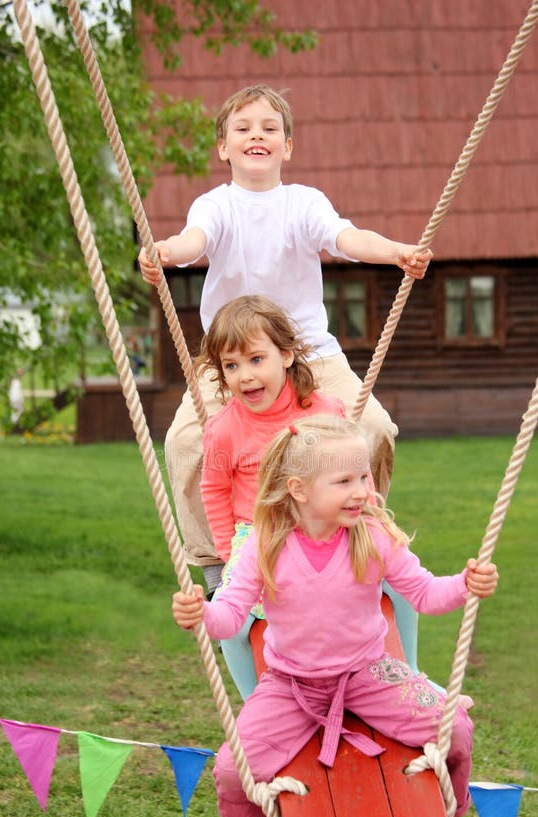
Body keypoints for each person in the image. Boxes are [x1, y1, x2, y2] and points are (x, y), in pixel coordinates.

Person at [172, 415, 498, 817]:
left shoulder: (372, 535)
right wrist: (199, 613)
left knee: (457, 728)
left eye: (363, 476)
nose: (362, 490)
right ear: (299, 489)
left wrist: (466, 585)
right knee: (230, 771)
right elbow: (228, 618)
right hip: (290, 686)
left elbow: (426, 594)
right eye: (344, 481)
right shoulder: (265, 545)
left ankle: (453, 799)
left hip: (368, 673)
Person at [138, 84, 433, 596]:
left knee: (375, 430)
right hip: (230, 359)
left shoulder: (303, 203)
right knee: (185, 442)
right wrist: (164, 250)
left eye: (270, 128)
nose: (258, 136)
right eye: (244, 128)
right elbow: (194, 241)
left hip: (308, 353)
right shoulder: (218, 205)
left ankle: (361, 535)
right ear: (223, 147)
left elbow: (347, 237)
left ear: (287, 146)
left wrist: (395, 251)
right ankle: (215, 566)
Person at [198, 294, 347, 698]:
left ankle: (408, 666)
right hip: (259, 533)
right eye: (231, 365)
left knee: (394, 582)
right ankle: (253, 700)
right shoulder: (225, 429)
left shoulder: (321, 411)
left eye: (255, 360)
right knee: (234, 615)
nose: (244, 376)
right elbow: (213, 488)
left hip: (322, 527)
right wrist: (229, 554)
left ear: (285, 355)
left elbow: (348, 470)